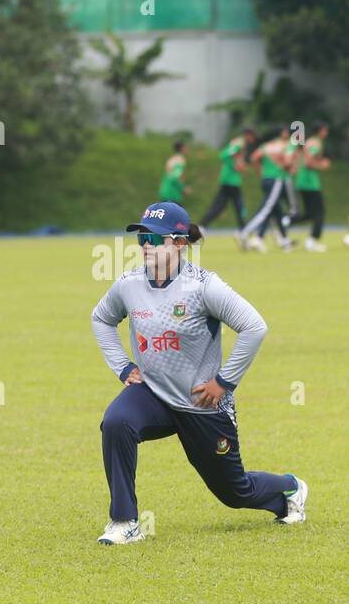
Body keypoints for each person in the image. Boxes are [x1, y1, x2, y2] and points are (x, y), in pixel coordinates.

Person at [91, 201, 307, 545]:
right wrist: (123, 366)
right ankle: (125, 521)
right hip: (153, 394)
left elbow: (254, 327)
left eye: (154, 238)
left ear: (178, 243)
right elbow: (101, 318)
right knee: (117, 422)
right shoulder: (127, 284)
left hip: (201, 402)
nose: (146, 244)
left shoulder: (205, 286)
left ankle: (289, 488)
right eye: (141, 237)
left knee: (235, 493)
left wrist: (224, 382)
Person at [239, 129, 296, 252]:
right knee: (267, 208)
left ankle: (284, 240)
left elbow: (254, 158)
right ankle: (245, 232)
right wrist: (290, 168)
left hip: (266, 179)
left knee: (277, 209)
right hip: (277, 179)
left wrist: (261, 171)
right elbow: (287, 162)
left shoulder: (266, 146)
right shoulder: (285, 145)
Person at [199, 126, 256, 236]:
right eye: (253, 136)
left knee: (220, 206)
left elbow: (233, 157)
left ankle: (202, 225)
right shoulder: (239, 143)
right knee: (238, 205)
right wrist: (235, 165)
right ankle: (243, 230)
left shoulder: (239, 143)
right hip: (231, 181)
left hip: (229, 180)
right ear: (249, 135)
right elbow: (224, 155)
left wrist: (238, 164)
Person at [283, 122, 331, 252]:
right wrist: (323, 165)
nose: (326, 133)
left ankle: (285, 221)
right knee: (320, 211)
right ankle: (312, 241)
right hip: (310, 183)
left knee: (310, 213)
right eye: (325, 130)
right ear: (320, 130)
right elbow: (309, 162)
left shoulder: (309, 142)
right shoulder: (315, 142)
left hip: (302, 181)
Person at [158, 139, 190, 204]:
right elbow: (175, 177)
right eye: (186, 147)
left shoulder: (171, 159)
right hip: (172, 193)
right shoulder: (180, 160)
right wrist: (183, 188)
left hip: (164, 190)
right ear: (182, 148)